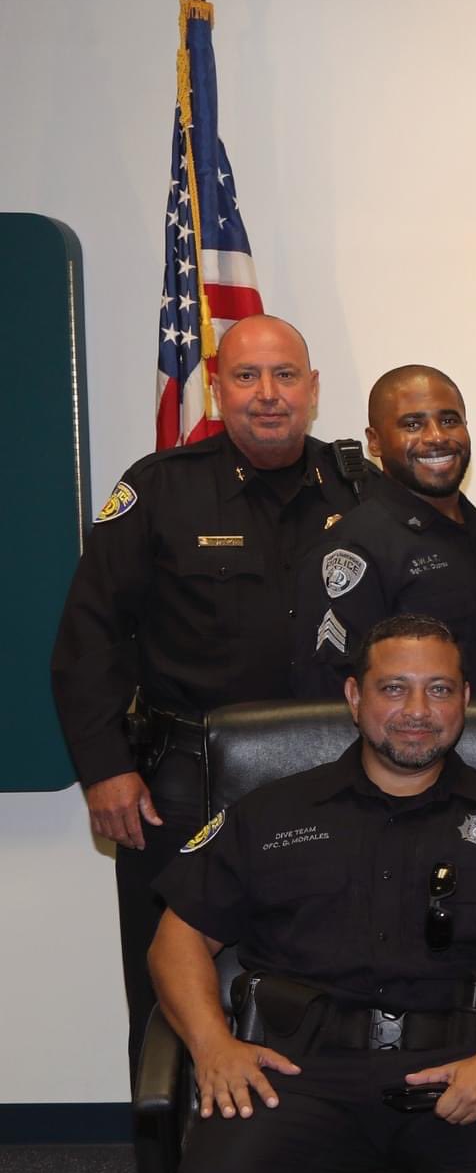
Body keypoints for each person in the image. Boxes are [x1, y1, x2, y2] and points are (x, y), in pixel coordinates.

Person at [148, 615, 476, 1173]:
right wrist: (211, 1044)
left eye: (438, 689)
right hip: (298, 1071)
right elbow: (176, 938)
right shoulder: (270, 812)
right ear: (354, 697)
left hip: (461, 1062)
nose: (416, 711)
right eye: (394, 689)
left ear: (465, 699)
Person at [51, 314, 368, 1069]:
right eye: (248, 377)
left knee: (330, 976)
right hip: (186, 784)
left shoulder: (363, 494)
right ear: (218, 388)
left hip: (332, 776)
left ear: (313, 389)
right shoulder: (161, 489)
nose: (268, 395)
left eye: (286, 376)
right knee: (169, 986)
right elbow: (88, 636)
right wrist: (103, 766)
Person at [292, 364, 476, 700]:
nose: (436, 436)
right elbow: (331, 698)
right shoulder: (355, 550)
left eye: (449, 420)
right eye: (412, 424)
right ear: (374, 442)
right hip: (419, 751)